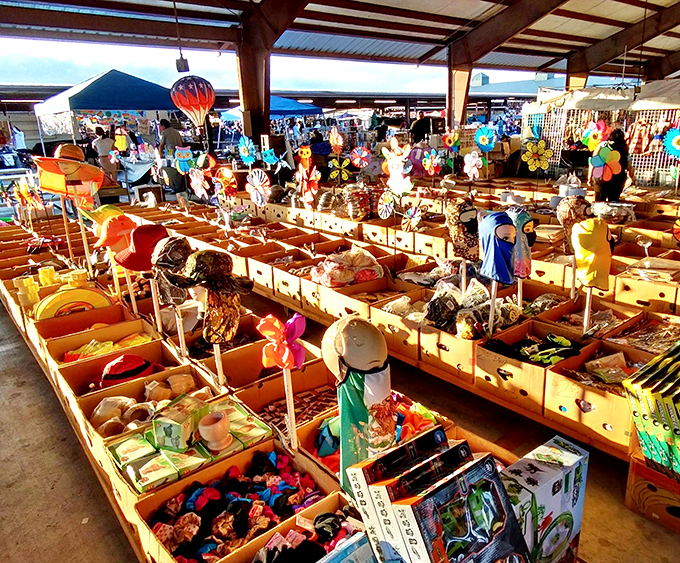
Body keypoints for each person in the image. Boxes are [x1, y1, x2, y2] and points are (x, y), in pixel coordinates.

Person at [587, 128, 633, 202]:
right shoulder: (624, 147)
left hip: (601, 176)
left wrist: (590, 177)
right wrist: (631, 176)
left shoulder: (602, 145)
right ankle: (611, 213)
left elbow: (593, 162)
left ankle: (599, 213)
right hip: (618, 178)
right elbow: (629, 165)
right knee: (614, 201)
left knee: (599, 201)